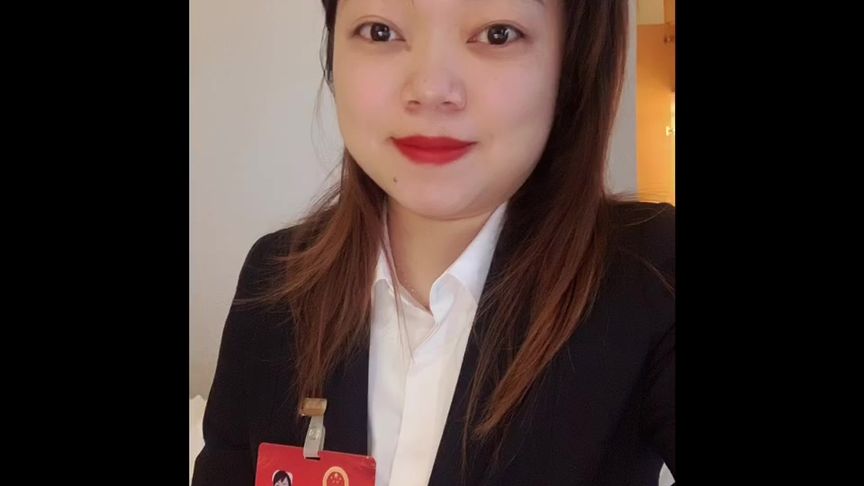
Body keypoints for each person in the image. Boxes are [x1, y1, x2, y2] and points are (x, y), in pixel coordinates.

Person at [192, 0, 675, 485]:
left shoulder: (651, 273)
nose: (430, 90)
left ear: (571, 61)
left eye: (497, 34)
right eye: (380, 31)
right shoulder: (275, 280)